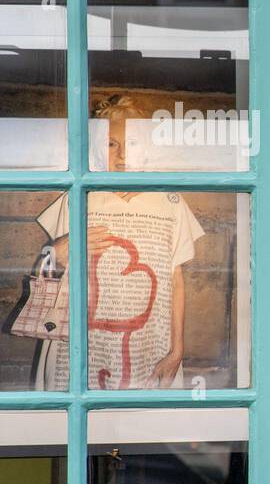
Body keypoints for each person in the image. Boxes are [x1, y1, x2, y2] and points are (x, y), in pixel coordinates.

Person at [35, 94, 205, 390]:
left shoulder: (169, 202)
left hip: (148, 344)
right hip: (82, 343)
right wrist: (55, 254)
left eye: (133, 144)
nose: (123, 155)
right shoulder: (78, 197)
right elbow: (49, 265)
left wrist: (177, 349)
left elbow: (175, 279)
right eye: (112, 144)